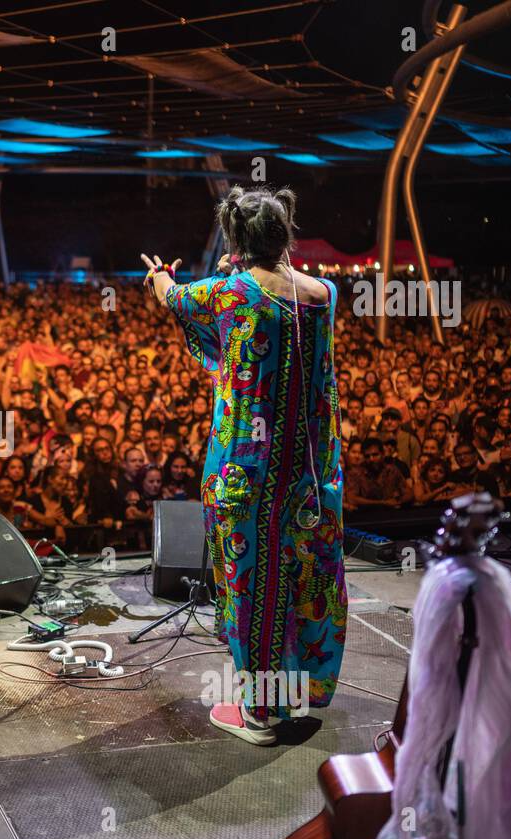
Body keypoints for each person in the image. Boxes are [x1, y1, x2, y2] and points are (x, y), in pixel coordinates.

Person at [141, 184, 347, 746]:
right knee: (302, 574)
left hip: (244, 472)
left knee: (251, 583)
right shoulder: (322, 293)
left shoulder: (228, 293)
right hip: (309, 472)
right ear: (286, 233)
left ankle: (259, 713)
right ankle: (292, 694)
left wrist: (161, 273)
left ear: (235, 239)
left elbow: (171, 297)